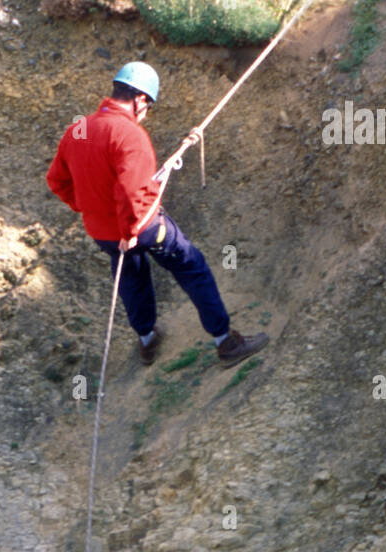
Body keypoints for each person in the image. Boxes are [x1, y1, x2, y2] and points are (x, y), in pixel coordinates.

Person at [46, 62, 269, 366]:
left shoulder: (78, 131)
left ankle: (147, 340)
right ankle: (225, 341)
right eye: (148, 105)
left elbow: (56, 181)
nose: (146, 112)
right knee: (191, 265)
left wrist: (90, 208)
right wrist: (128, 231)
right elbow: (131, 193)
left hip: (102, 232)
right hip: (141, 226)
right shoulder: (129, 135)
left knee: (130, 276)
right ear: (139, 99)